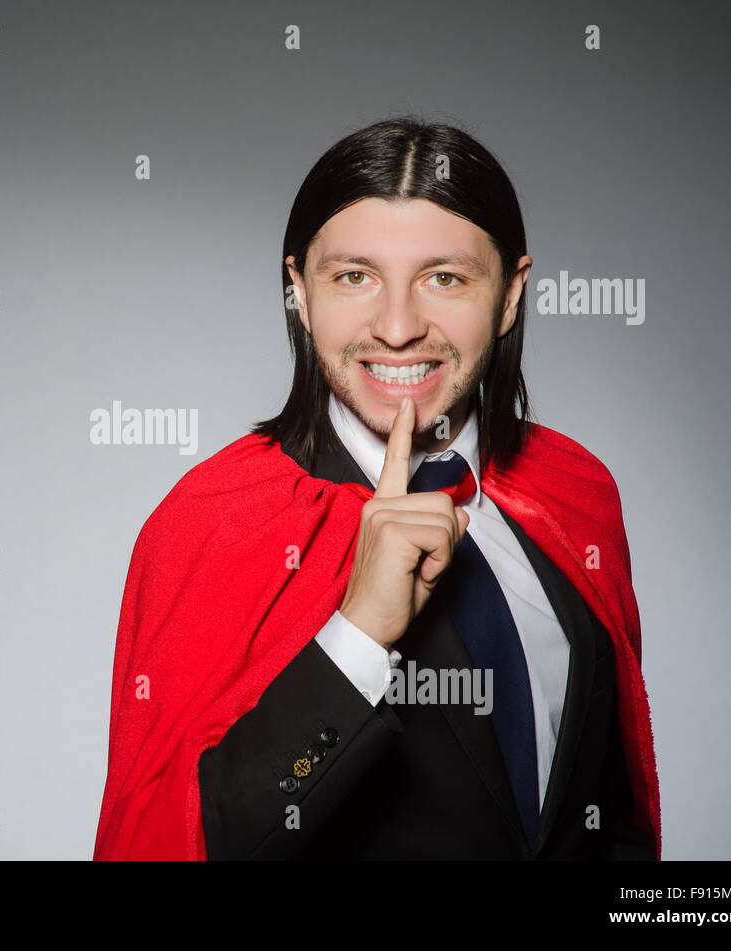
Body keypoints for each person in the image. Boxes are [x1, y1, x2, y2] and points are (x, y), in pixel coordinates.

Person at [93, 117, 660, 860]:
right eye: (353, 277)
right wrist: (358, 636)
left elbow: (609, 809)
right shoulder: (216, 519)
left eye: (444, 278)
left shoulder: (573, 490)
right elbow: (180, 839)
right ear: (298, 291)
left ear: (512, 295)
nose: (397, 327)